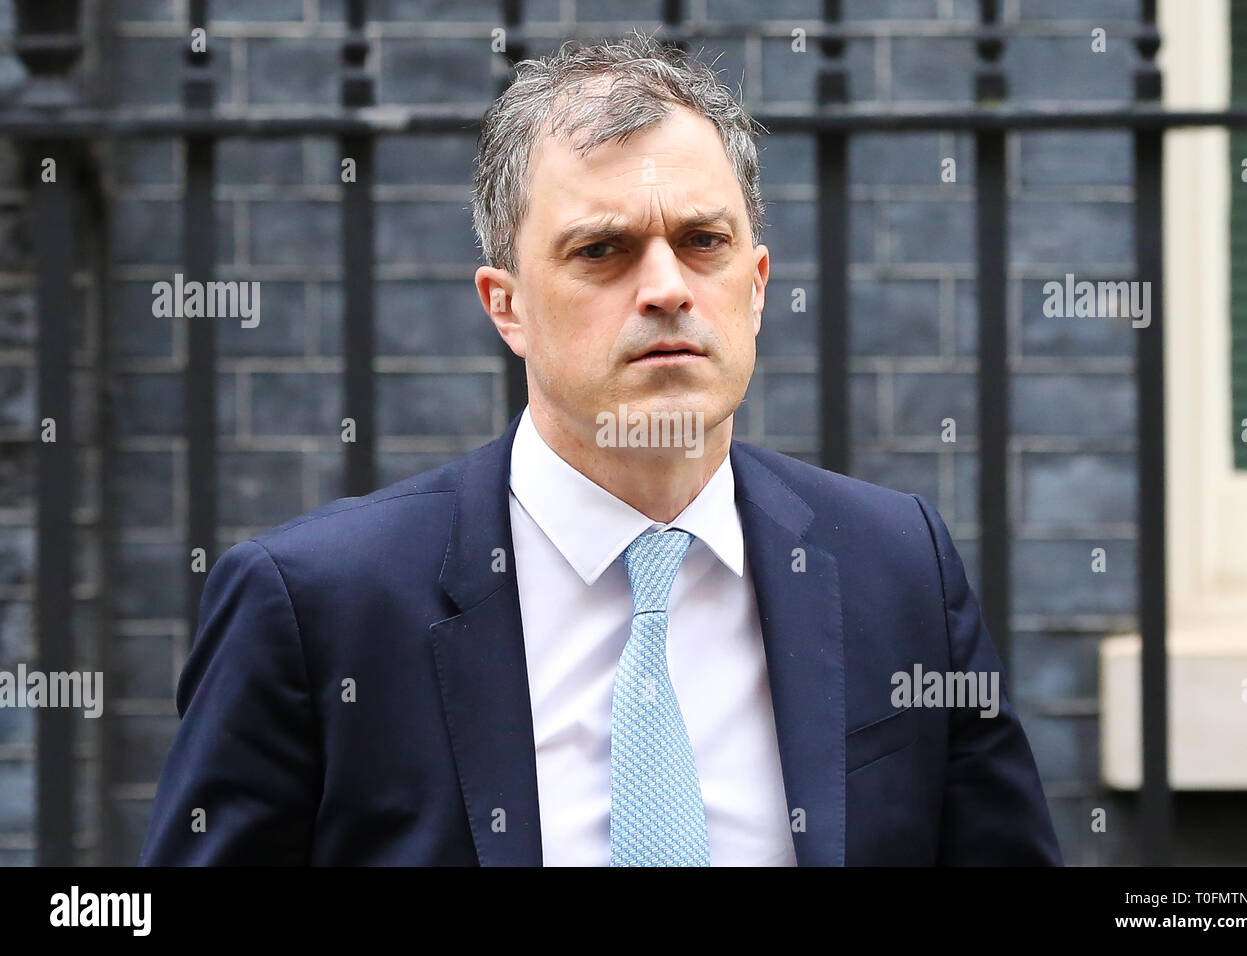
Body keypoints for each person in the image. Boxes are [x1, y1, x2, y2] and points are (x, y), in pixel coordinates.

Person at [139, 32, 1061, 867]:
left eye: (704, 242)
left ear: (758, 284)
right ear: (506, 305)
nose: (665, 287)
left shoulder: (897, 566)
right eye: (602, 251)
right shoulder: (315, 606)